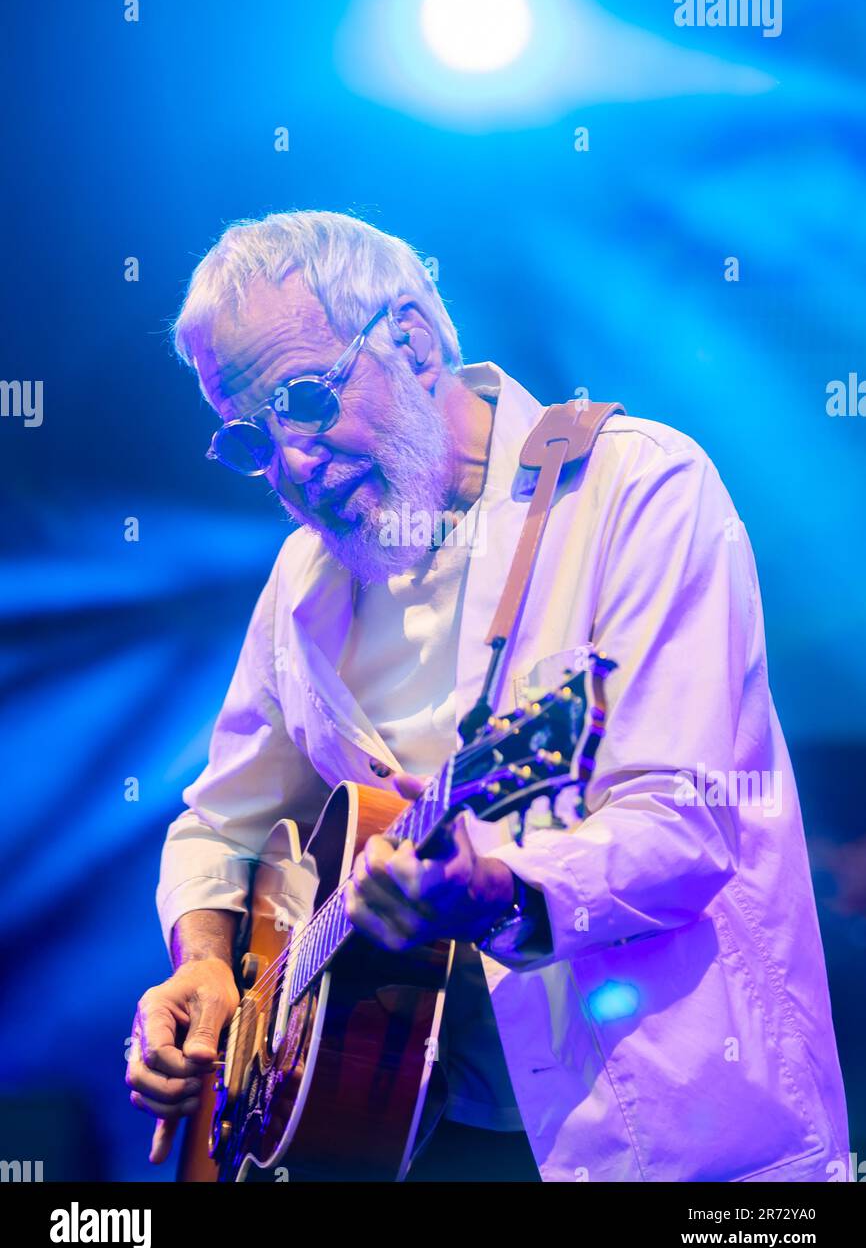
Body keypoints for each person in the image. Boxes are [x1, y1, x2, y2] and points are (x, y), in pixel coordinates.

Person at [127, 210, 849, 1182]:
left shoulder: (634, 488)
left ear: (412, 340)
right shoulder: (301, 582)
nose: (293, 464)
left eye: (304, 398)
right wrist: (206, 960)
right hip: (422, 1139)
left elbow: (687, 822)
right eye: (253, 439)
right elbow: (222, 823)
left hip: (675, 1139)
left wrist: (499, 890)